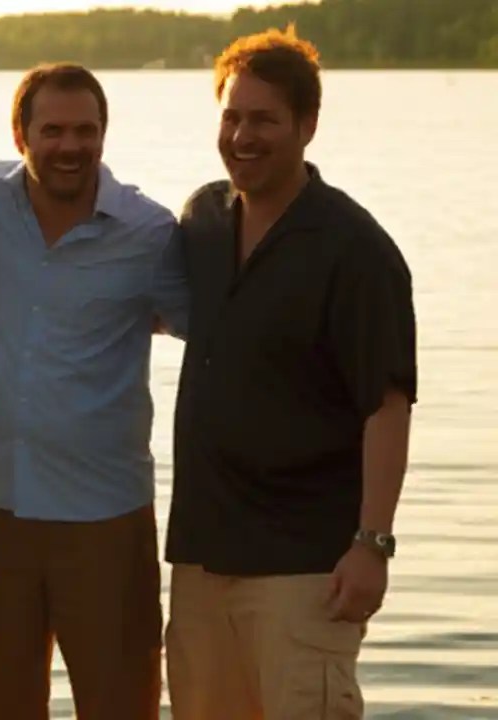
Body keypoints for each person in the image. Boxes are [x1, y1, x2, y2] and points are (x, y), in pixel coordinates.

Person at [164, 27, 417, 719]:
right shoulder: (204, 221)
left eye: (264, 119)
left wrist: (373, 545)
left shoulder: (355, 250)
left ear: (307, 125)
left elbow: (387, 406)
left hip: (307, 570)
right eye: (232, 116)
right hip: (201, 562)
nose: (243, 136)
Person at [0, 63, 188, 720]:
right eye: (52, 130)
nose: (70, 146)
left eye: (86, 130)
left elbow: (211, 330)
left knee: (121, 706)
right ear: (20, 135)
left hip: (104, 519)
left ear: (104, 136)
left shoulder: (150, 233)